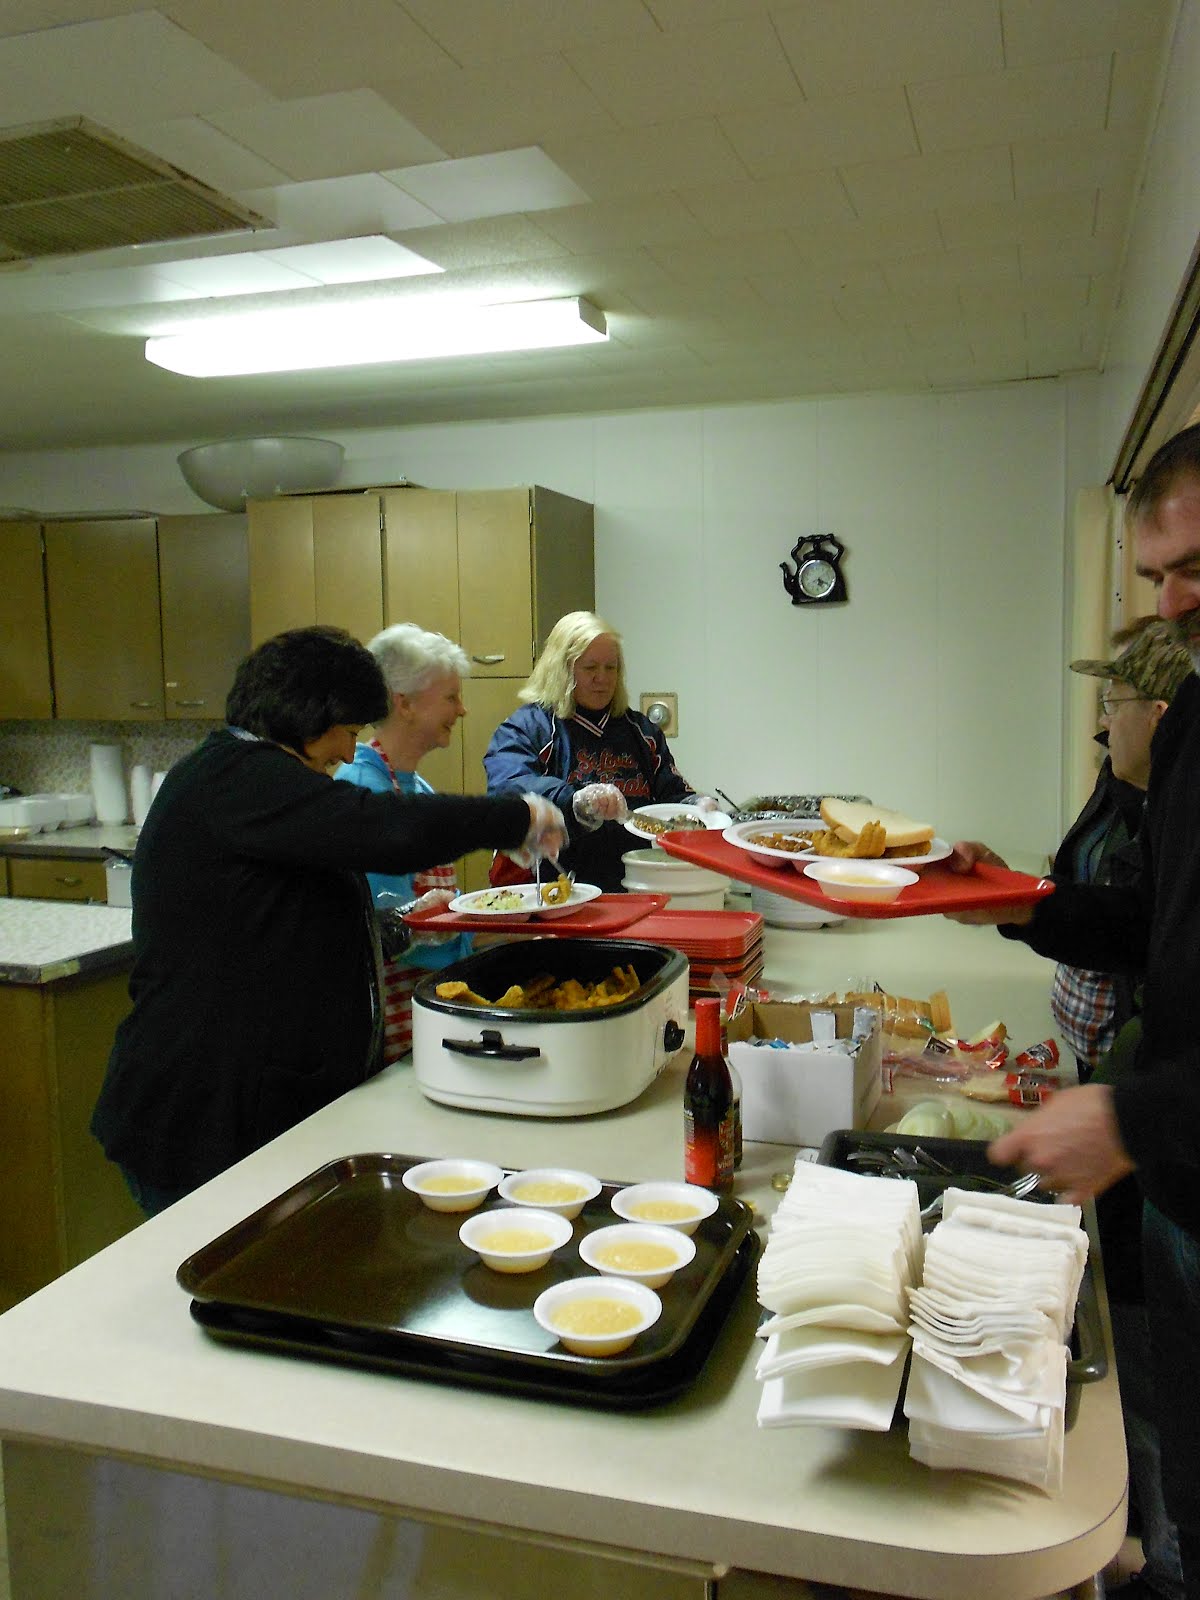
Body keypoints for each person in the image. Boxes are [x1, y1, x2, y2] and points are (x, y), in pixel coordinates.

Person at [950, 422, 1200, 1600]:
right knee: (1165, 1425)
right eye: (1155, 576)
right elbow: (1152, 924)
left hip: (1175, 1138)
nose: (1173, 604)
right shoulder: (1191, 734)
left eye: (1194, 567)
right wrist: (1007, 901)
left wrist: (1133, 1116)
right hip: (1179, 1174)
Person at [91, 625, 565, 1215]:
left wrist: (399, 929)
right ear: (308, 713)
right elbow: (377, 826)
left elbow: (289, 922)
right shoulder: (235, 776)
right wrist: (513, 817)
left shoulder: (253, 785)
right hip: (200, 1115)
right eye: (347, 730)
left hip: (242, 1107)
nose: (348, 751)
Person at [483, 610, 717, 892]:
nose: (602, 679)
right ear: (562, 669)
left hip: (638, 885)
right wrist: (577, 801)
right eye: (590, 668)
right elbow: (508, 789)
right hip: (557, 891)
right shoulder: (528, 728)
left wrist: (694, 805)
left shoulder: (642, 731)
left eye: (611, 668)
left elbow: (670, 793)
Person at [1051, 617, 1191, 1080]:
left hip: (1143, 1070)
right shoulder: (1118, 778)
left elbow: (1146, 935)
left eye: (1112, 702)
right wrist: (1018, 901)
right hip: (1099, 1051)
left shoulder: (1180, 816)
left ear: (1159, 712)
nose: (1102, 720)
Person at [334, 622, 474, 1063]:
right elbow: (393, 934)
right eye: (451, 697)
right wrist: (482, 927)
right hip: (382, 1031)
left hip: (419, 1018)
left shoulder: (418, 788)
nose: (462, 710)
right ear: (405, 704)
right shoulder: (365, 787)